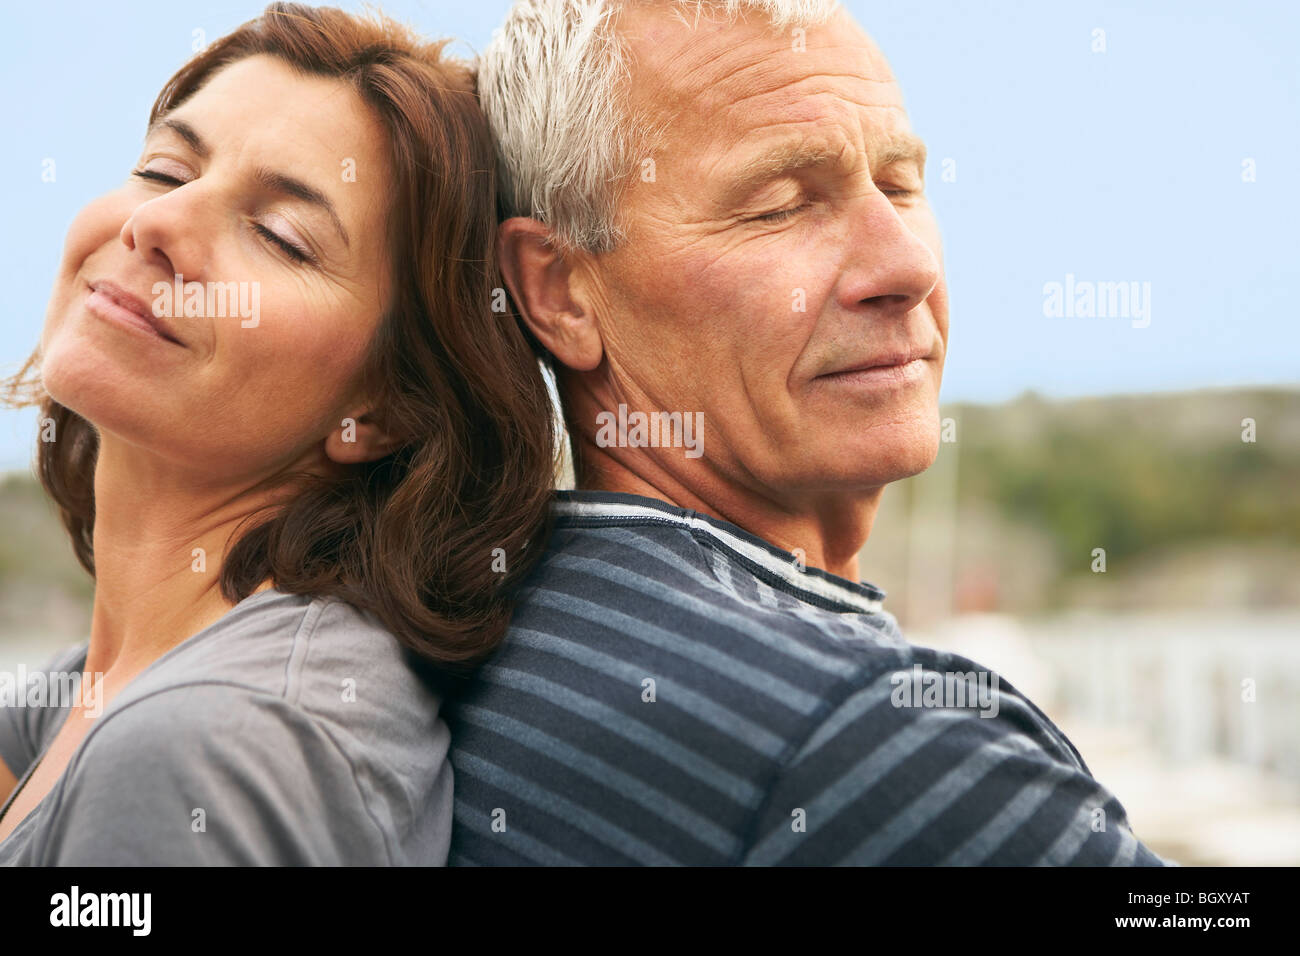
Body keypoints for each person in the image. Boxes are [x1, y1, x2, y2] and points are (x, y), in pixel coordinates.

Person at [446, 0, 1171, 865]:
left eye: (901, 185)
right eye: (782, 206)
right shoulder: (890, 745)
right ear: (559, 290)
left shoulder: (482, 630)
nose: (907, 265)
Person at [0, 2, 557, 865]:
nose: (155, 225)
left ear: (386, 411)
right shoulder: (111, 680)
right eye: (163, 170)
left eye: (280, 236)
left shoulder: (197, 754)